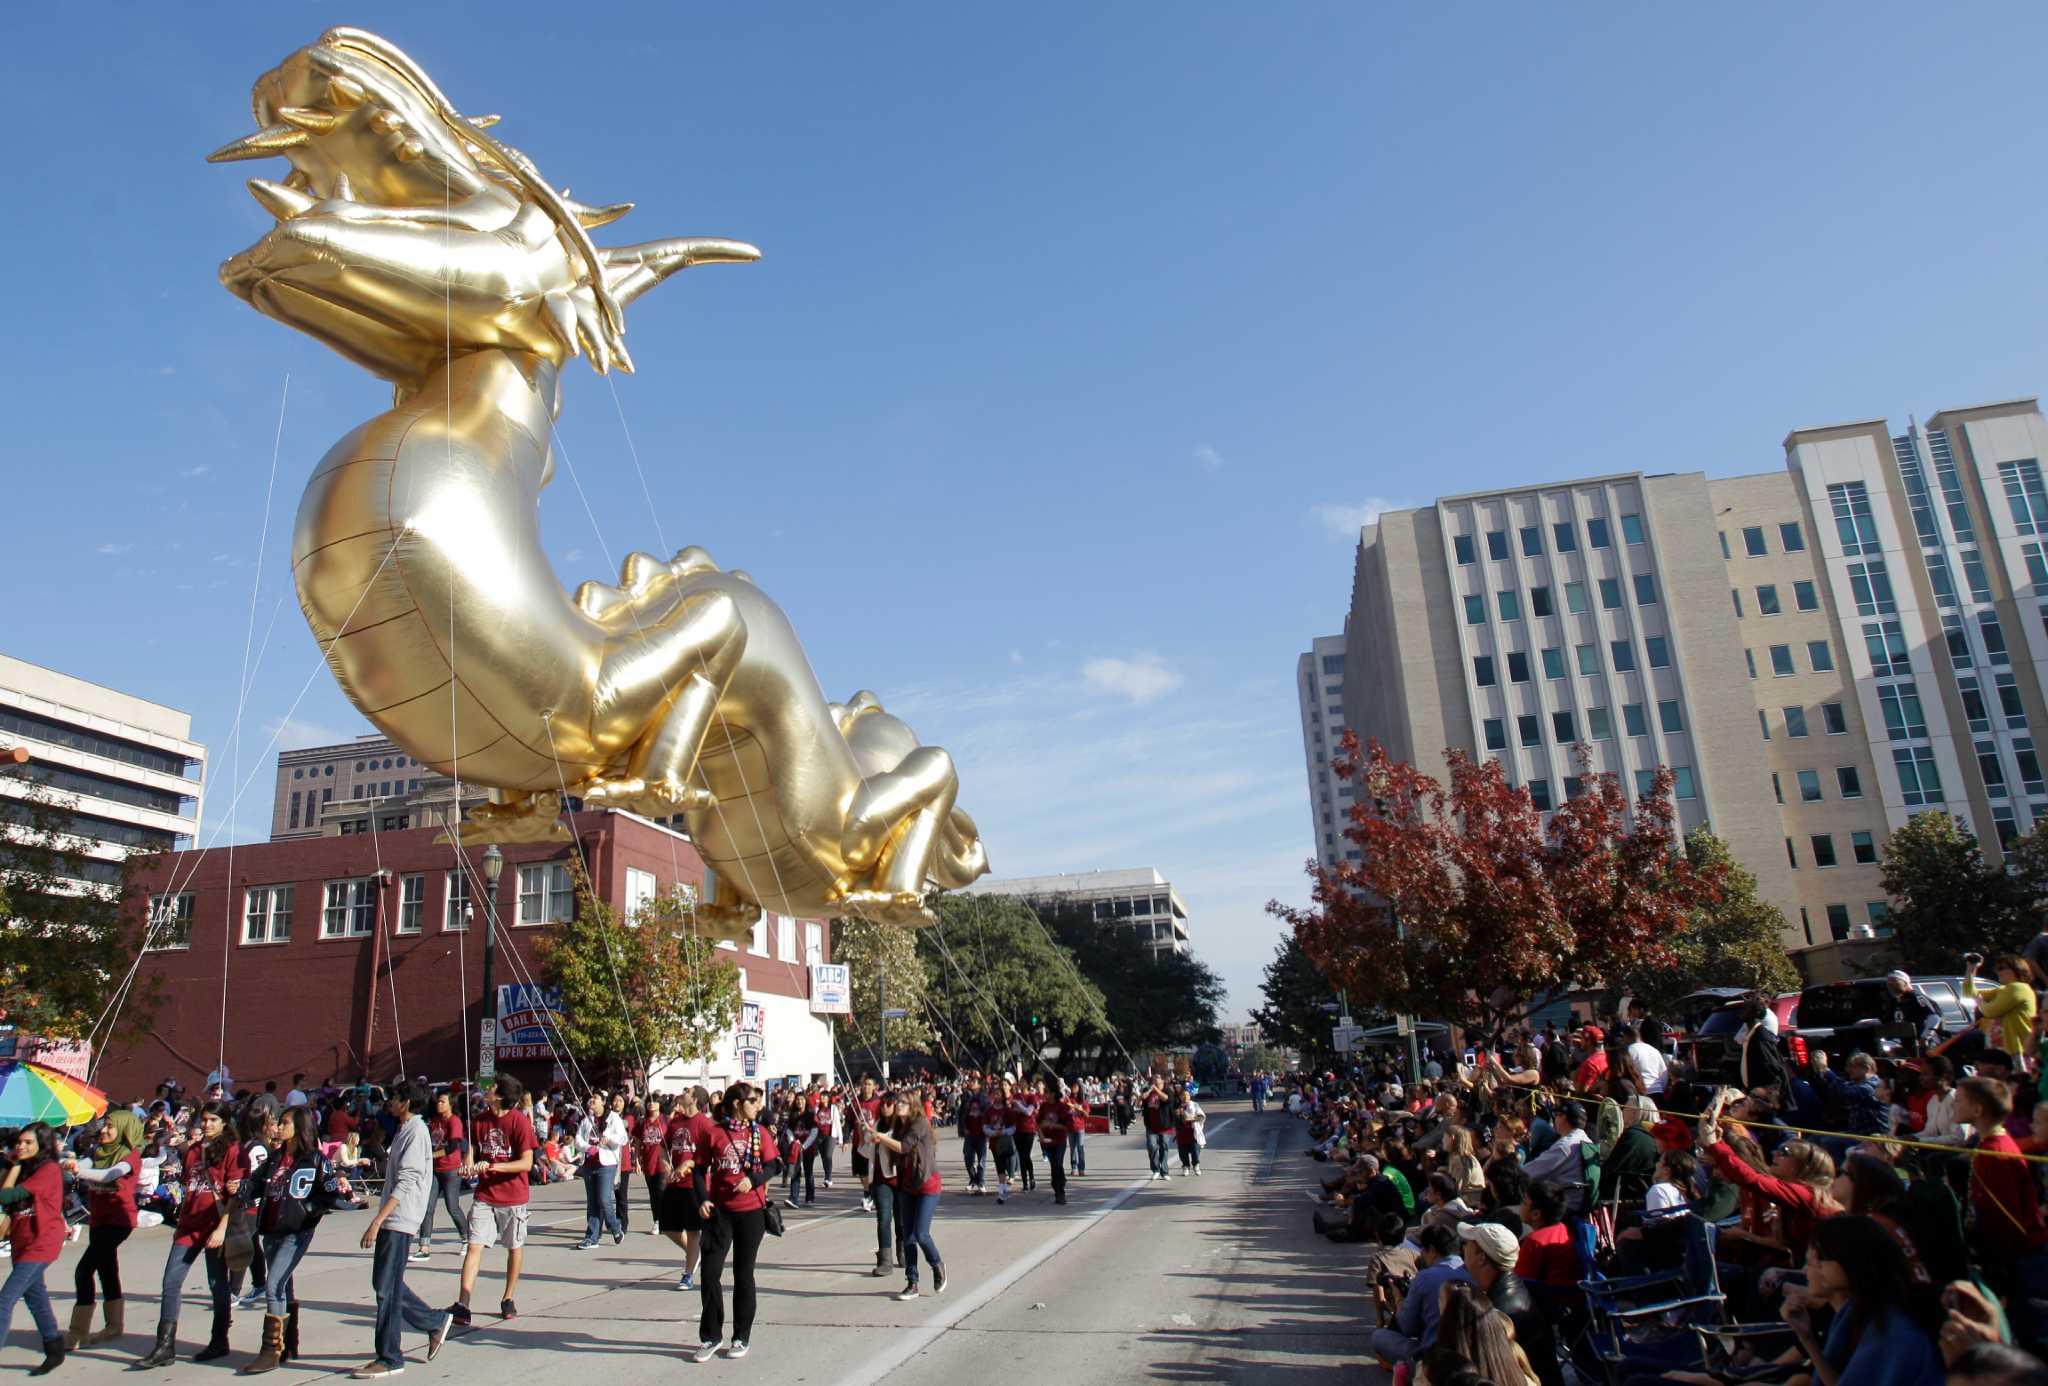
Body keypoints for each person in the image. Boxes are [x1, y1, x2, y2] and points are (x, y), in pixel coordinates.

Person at [352, 1080, 453, 1379]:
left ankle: (390, 1356)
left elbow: (407, 1180)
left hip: (400, 1218)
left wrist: (378, 1219)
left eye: (394, 1098)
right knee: (387, 1284)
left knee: (386, 1289)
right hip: (396, 1217)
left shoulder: (416, 1131)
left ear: (407, 1101)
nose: (390, 1103)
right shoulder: (405, 1129)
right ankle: (434, 1321)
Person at [135, 1099, 244, 1367]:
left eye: (213, 1120)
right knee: (171, 1281)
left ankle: (219, 1340)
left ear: (224, 1123)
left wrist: (222, 1227)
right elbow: (188, 1185)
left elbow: (237, 1194)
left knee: (218, 1285)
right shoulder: (193, 1150)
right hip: (189, 1225)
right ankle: (164, 1345)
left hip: (215, 1225)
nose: (207, 1125)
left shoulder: (232, 1150)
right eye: (204, 1120)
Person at [239, 1105, 347, 1375]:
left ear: (299, 1126)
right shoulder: (275, 1158)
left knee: (273, 1284)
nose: (278, 1127)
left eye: (284, 1122)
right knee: (284, 1286)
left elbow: (329, 1192)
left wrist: (309, 1212)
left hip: (296, 1232)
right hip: (272, 1228)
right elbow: (255, 1182)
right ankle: (288, 1343)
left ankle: (269, 1351)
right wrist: (241, 1189)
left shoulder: (315, 1159)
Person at [1778, 1214, 1943, 1386]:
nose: (1810, 1270)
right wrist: (1806, 1337)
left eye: (1819, 1260)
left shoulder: (1892, 1327)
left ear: (1848, 1261)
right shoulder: (1860, 1312)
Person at [689, 1083, 783, 1362]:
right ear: (736, 1104)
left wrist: (752, 1180)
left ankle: (741, 1336)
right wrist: (703, 1199)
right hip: (720, 1213)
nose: (757, 1105)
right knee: (710, 1273)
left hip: (751, 1212)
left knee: (743, 1275)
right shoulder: (714, 1133)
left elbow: (774, 1165)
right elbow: (698, 1170)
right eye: (752, 1101)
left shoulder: (759, 1132)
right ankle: (711, 1336)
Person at [448, 1075, 536, 1330]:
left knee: (514, 1246)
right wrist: (467, 1167)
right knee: (474, 1245)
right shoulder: (479, 1121)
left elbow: (526, 1163)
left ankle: (508, 1297)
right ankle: (463, 1304)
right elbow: (471, 1153)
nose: (488, 1089)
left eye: (493, 1086)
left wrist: (494, 1166)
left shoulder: (519, 1122)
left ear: (500, 1095)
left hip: (513, 1196)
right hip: (485, 1196)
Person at [61, 1109, 143, 1351]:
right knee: (107, 1269)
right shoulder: (97, 1151)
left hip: (119, 1221)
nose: (104, 1131)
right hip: (98, 1220)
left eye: (110, 1126)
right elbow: (84, 1163)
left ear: (125, 1130)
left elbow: (109, 1175)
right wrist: (64, 1159)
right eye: (104, 1126)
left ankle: (78, 1332)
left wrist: (76, 1169)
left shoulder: (131, 1156)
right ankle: (114, 1325)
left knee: (83, 1271)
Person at [0, 1123, 68, 1375]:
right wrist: (14, 1165)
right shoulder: (25, 1169)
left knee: (5, 1299)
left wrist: (15, 1166)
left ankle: (54, 1347)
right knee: (35, 1296)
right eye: (19, 1142)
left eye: (28, 1142)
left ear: (42, 1144)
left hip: (42, 1242)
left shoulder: (48, 1169)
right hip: (22, 1240)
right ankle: (54, 1347)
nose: (21, 1146)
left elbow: (6, 1196)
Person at [1458, 1222, 1563, 1386]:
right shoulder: (1514, 1288)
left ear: (1481, 1258)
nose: (1463, 1248)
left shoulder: (1497, 1312)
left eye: (1468, 1244)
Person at [871, 1091, 945, 1299]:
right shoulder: (897, 1127)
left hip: (927, 1185)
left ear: (912, 1105)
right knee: (908, 1236)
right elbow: (884, 1150)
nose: (899, 1105)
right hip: (907, 1186)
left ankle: (937, 1264)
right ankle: (912, 1282)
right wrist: (872, 1136)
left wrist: (882, 1138)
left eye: (903, 1103)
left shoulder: (919, 1123)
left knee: (921, 1233)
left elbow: (904, 1147)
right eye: (898, 1103)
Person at [1369, 1223, 1469, 1366]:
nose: (1421, 1253)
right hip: (1467, 1353)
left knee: (1379, 1336)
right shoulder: (1471, 1274)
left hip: (1434, 1357)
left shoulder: (1425, 1278)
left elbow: (1406, 1327)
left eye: (1424, 1249)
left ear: (1432, 1251)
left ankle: (1413, 1368)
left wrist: (1398, 1298)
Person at [659, 1086, 716, 1291]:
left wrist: (688, 1164)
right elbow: (663, 1148)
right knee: (667, 1227)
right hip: (674, 1183)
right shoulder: (675, 1122)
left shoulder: (705, 1124)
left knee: (693, 1230)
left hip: (694, 1184)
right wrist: (666, 1165)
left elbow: (708, 1156)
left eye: (688, 1092)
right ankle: (694, 1253)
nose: (683, 1093)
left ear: (694, 1100)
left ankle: (688, 1273)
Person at [416, 1089, 466, 1260]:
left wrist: (430, 1156)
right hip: (435, 1171)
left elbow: (452, 1146)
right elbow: (429, 1142)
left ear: (451, 1104)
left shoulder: (455, 1121)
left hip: (451, 1169)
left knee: (452, 1206)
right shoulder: (434, 1122)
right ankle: (424, 1246)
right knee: (427, 1207)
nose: (439, 1104)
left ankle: (466, 1238)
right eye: (438, 1101)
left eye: (443, 1101)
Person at [1968, 954, 2038, 1072]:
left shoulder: (2018, 988)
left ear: (2018, 970)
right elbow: (1970, 993)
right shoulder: (2004, 990)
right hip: (2001, 1051)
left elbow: (1990, 1011)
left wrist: (1980, 1002)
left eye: (2003, 968)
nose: (1999, 972)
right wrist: (1971, 969)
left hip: (2014, 1051)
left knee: (2014, 1085)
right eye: (1997, 969)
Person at [575, 1090, 626, 1249]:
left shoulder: (613, 1118)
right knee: (592, 1202)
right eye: (591, 1098)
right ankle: (592, 1237)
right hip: (590, 1164)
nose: (592, 1100)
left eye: (595, 1098)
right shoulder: (586, 1120)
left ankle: (615, 1226)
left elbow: (623, 1138)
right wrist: (589, 1147)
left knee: (603, 1199)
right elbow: (578, 1140)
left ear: (603, 1102)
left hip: (607, 1164)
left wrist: (609, 1138)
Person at [1036, 1079, 1074, 1205]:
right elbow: (1038, 1123)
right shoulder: (1043, 1106)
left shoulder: (1062, 1107)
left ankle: (1061, 1190)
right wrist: (1041, 1135)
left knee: (1058, 1163)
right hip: (1047, 1141)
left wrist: (1052, 1124)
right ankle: (1057, 1189)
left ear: (1053, 1093)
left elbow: (1067, 1126)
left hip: (1059, 1140)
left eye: (1046, 1092)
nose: (1044, 1094)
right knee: (1054, 1166)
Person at [957, 1075, 990, 1195]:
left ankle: (980, 1181)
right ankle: (973, 1179)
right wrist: (963, 1128)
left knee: (981, 1160)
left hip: (981, 1133)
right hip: (969, 1133)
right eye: (971, 1080)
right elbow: (961, 1113)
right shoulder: (966, 1097)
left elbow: (988, 1113)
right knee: (968, 1157)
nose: (971, 1082)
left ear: (980, 1085)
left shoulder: (984, 1098)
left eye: (974, 1081)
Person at [1141, 1077, 1174, 1181]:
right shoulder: (1148, 1091)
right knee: (1152, 1146)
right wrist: (1146, 1093)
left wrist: (1157, 1090)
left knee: (1164, 1147)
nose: (1156, 1084)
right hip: (1151, 1125)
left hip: (1164, 1125)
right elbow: (1140, 1102)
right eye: (1154, 1083)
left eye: (1158, 1083)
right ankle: (1156, 1170)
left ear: (1163, 1082)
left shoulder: (1167, 1090)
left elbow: (1167, 1099)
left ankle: (1164, 1171)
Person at [1174, 1090, 1206, 1175]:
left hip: (1193, 1132)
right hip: (1182, 1132)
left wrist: (1192, 1118)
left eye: (1187, 1095)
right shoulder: (1177, 1106)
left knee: (1195, 1151)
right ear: (1180, 1097)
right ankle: (1185, 1166)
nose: (1185, 1097)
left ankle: (1196, 1165)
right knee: (1183, 1152)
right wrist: (1177, 1114)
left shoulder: (1194, 1105)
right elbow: (1174, 1119)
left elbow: (1201, 1117)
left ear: (1190, 1096)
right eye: (1183, 1095)